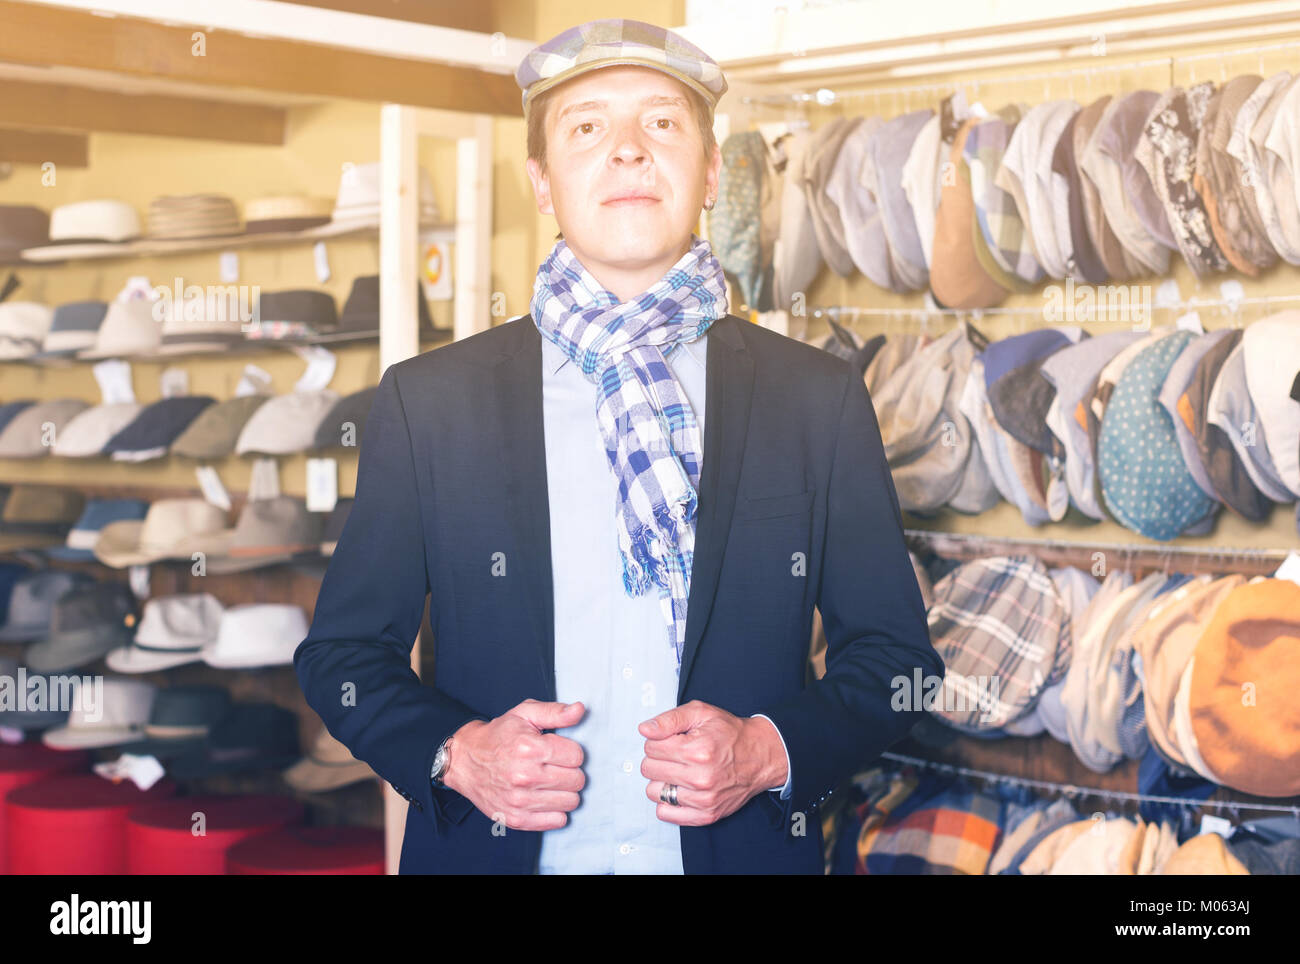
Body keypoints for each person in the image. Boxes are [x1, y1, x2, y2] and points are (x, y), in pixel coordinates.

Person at [295, 18, 942, 875]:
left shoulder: (816, 399)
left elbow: (899, 665)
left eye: (663, 122)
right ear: (541, 183)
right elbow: (342, 659)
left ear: (712, 172)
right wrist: (456, 752)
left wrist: (767, 750)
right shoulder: (431, 402)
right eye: (588, 126)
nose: (629, 151)